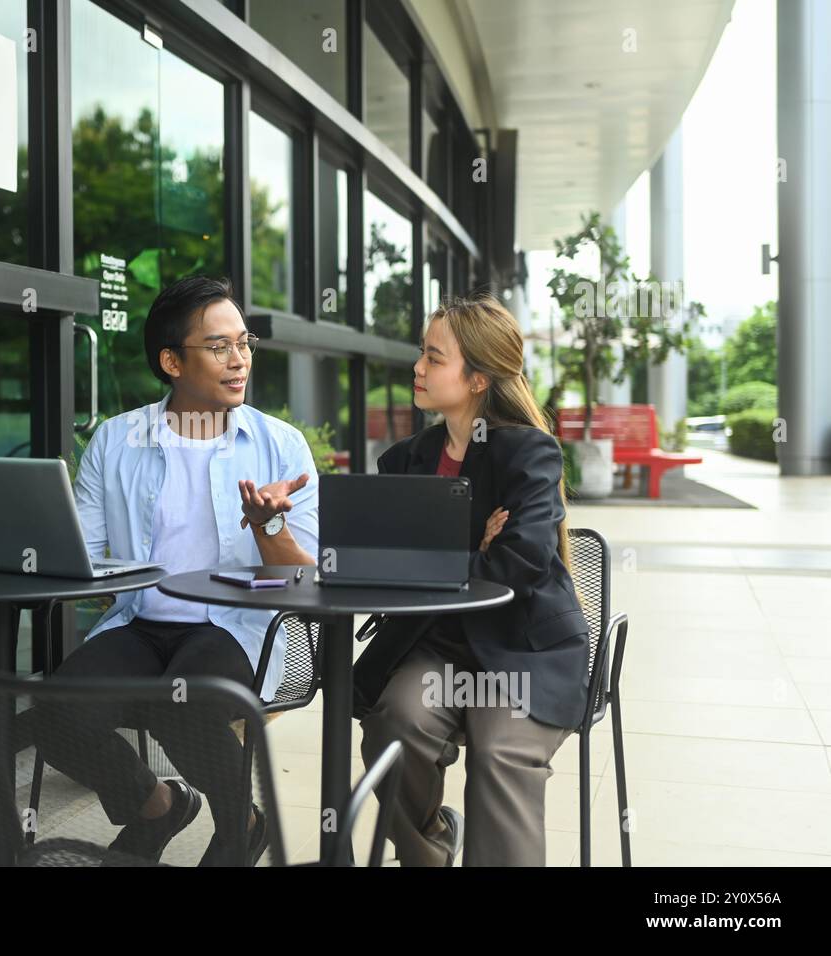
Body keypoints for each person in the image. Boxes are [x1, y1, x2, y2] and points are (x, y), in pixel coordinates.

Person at [34, 275, 319, 866]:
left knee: (183, 701)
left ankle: (239, 824)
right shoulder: (117, 440)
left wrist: (268, 526)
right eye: (220, 346)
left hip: (235, 626)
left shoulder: (280, 445)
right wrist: (36, 546)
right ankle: (157, 805)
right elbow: (84, 556)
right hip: (140, 621)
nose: (239, 359)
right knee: (55, 714)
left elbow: (307, 581)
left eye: (244, 342)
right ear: (171, 361)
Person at [353, 292, 591, 867]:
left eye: (434, 358)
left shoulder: (529, 453)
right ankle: (429, 853)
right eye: (422, 354)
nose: (418, 367)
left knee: (498, 751)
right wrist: (472, 551)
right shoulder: (404, 461)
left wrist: (443, 561)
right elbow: (390, 569)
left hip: (522, 649)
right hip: (436, 645)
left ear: (478, 377)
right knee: (395, 722)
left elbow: (521, 563)